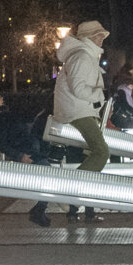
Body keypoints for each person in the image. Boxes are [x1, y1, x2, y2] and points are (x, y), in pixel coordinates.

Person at [53, 20, 112, 172]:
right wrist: (99, 95)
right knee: (101, 152)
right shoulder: (82, 57)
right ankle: (77, 183)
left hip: (78, 110)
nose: (102, 38)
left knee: (92, 152)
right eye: (98, 35)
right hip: (77, 112)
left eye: (102, 36)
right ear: (88, 37)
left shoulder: (85, 55)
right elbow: (78, 89)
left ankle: (82, 181)